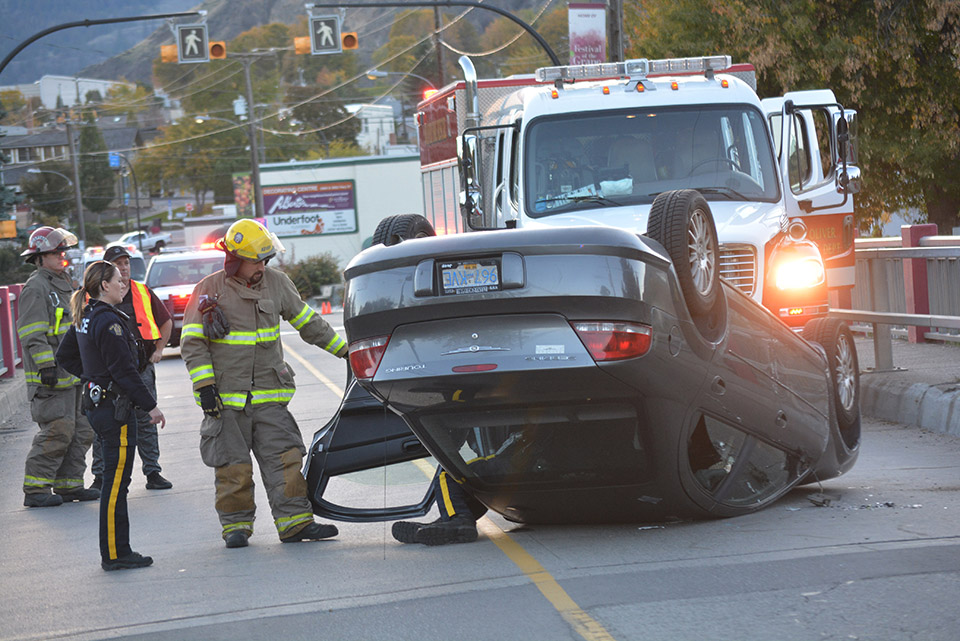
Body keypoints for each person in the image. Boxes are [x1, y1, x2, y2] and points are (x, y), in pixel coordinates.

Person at [180, 219, 348, 549]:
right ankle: (236, 528)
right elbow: (192, 343)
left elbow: (308, 323)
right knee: (232, 467)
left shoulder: (277, 284)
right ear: (234, 260)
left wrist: (346, 351)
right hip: (226, 402)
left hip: (270, 396)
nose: (262, 266)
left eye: (265, 260)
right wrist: (205, 387)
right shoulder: (208, 290)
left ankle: (296, 523)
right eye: (256, 260)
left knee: (284, 460)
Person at [56, 261, 166, 571]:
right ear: (104, 285)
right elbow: (126, 373)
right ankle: (116, 554)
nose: (123, 284)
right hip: (114, 412)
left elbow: (65, 356)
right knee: (116, 485)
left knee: (115, 483)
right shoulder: (109, 323)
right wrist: (150, 406)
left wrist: (93, 378)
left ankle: (118, 550)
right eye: (118, 279)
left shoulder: (86, 317)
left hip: (98, 407)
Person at [16, 226, 97, 508]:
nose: (63, 256)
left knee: (81, 430)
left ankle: (69, 485)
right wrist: (46, 365)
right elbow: (31, 332)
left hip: (74, 376)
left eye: (63, 251)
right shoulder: (36, 287)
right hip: (51, 379)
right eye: (56, 252)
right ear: (39, 257)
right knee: (57, 431)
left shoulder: (66, 283)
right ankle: (36, 489)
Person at [88, 245, 173, 491]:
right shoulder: (92, 296)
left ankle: (153, 471)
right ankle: (100, 477)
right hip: (107, 375)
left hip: (140, 368)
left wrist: (158, 350)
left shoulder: (143, 292)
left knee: (147, 419)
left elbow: (165, 321)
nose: (124, 268)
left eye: (126, 263)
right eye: (118, 264)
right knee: (103, 425)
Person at [392, 467, 486, 546]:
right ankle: (452, 522)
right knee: (470, 487)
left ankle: (457, 518)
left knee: (447, 475)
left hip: (495, 463)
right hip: (495, 491)